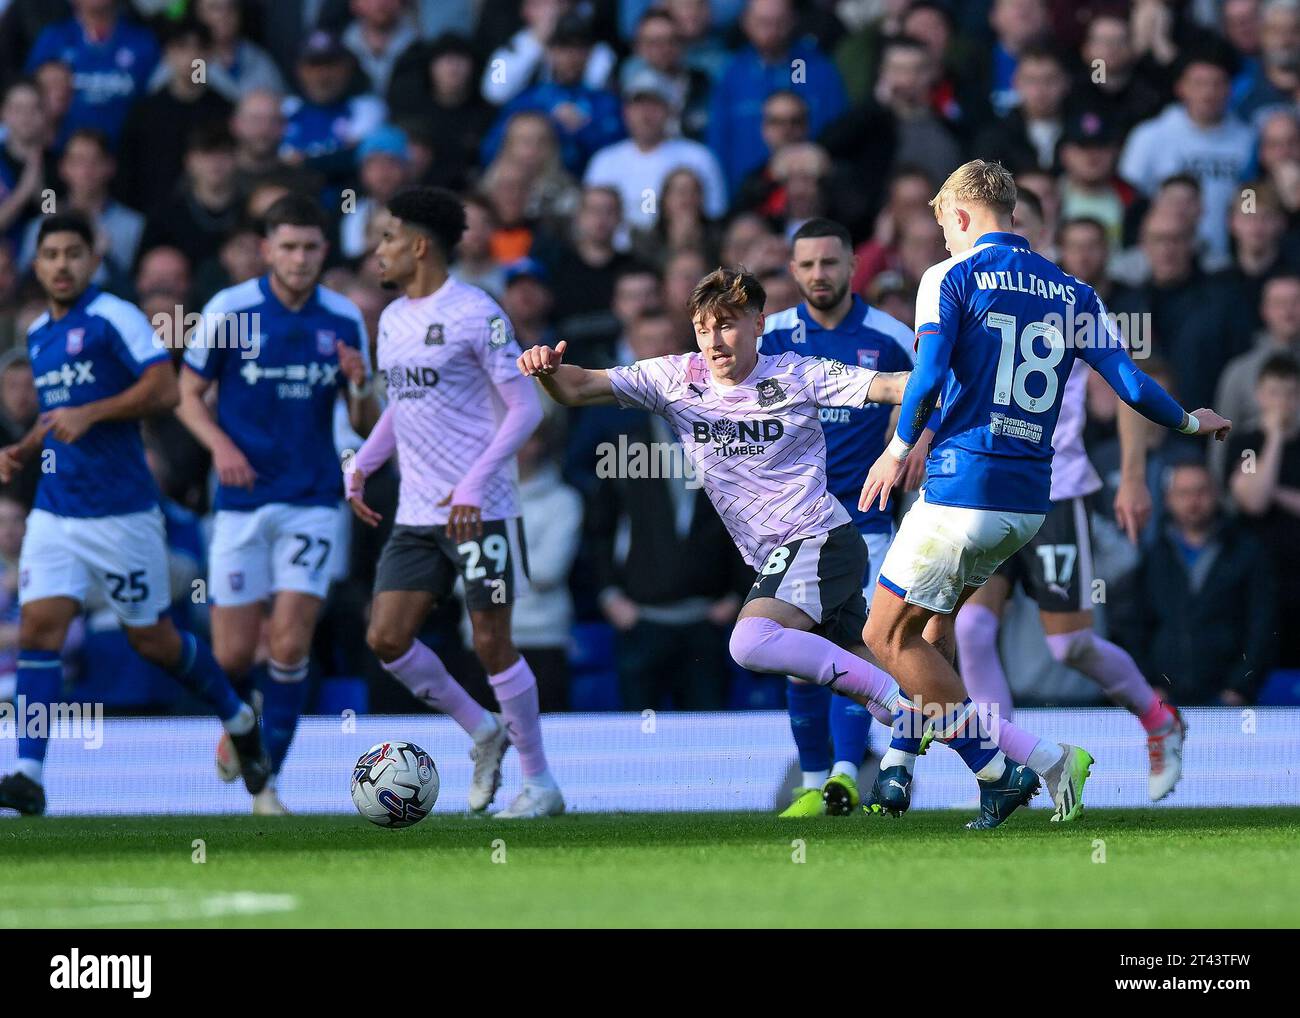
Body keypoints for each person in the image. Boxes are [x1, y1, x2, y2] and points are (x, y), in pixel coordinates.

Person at [857, 160, 1233, 828]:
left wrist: (896, 449)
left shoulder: (950, 277)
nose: (943, 238)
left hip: (963, 487)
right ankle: (905, 761)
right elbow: (1131, 385)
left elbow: (928, 375)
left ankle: (1016, 767)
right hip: (1030, 502)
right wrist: (1188, 420)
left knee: (883, 634)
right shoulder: (1073, 291)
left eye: (944, 223)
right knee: (938, 628)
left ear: (965, 215)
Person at [519, 267, 918, 803]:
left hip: (820, 538)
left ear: (758, 324)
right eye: (704, 328)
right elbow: (580, 385)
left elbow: (894, 385)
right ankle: (1025, 757)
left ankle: (894, 708)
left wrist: (936, 393)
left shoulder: (797, 374)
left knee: (751, 641)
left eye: (727, 326)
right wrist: (546, 370)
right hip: (780, 554)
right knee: (861, 663)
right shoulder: (676, 378)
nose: (714, 340)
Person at [0, 211, 268, 817]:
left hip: (122, 514)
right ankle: (28, 773)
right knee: (41, 629)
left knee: (153, 640)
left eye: (74, 253)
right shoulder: (39, 331)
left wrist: (94, 413)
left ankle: (238, 715)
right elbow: (57, 415)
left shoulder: (114, 315)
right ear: (37, 265)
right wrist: (20, 451)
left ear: (93, 261)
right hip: (57, 512)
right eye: (51, 255)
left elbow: (165, 390)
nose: (62, 265)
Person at [948, 194, 1188, 805]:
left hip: (1057, 492)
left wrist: (1132, 474)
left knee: (1069, 644)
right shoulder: (961, 287)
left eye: (1020, 223)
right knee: (973, 628)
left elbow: (1132, 380)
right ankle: (1007, 772)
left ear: (1037, 228)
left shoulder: (1066, 296)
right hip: (986, 487)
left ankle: (1158, 718)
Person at [345, 187, 564, 819]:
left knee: (491, 640)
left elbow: (526, 408)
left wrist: (471, 484)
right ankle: (481, 730)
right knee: (386, 637)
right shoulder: (390, 320)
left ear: (418, 245)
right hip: (417, 513)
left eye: (387, 237)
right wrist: (363, 462)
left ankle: (541, 784)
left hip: (482, 508)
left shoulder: (477, 312)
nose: (377, 250)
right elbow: (398, 406)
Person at [175, 195, 379, 815]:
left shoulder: (344, 317)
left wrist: (358, 384)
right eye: (287, 247)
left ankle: (267, 789)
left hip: (312, 499)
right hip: (240, 501)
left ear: (325, 251)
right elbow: (187, 392)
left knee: (290, 645)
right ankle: (239, 719)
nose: (299, 259)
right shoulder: (229, 309)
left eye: (311, 248)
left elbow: (364, 420)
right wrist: (219, 446)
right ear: (267, 250)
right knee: (235, 653)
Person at [758, 218, 916, 817]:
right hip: (794, 526)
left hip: (868, 522)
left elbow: (928, 398)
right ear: (792, 270)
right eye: (806, 265)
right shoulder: (769, 337)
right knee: (795, 653)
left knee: (858, 649)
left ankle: (848, 774)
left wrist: (915, 444)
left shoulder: (891, 335)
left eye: (829, 262)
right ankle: (815, 780)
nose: (818, 274)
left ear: (853, 265)